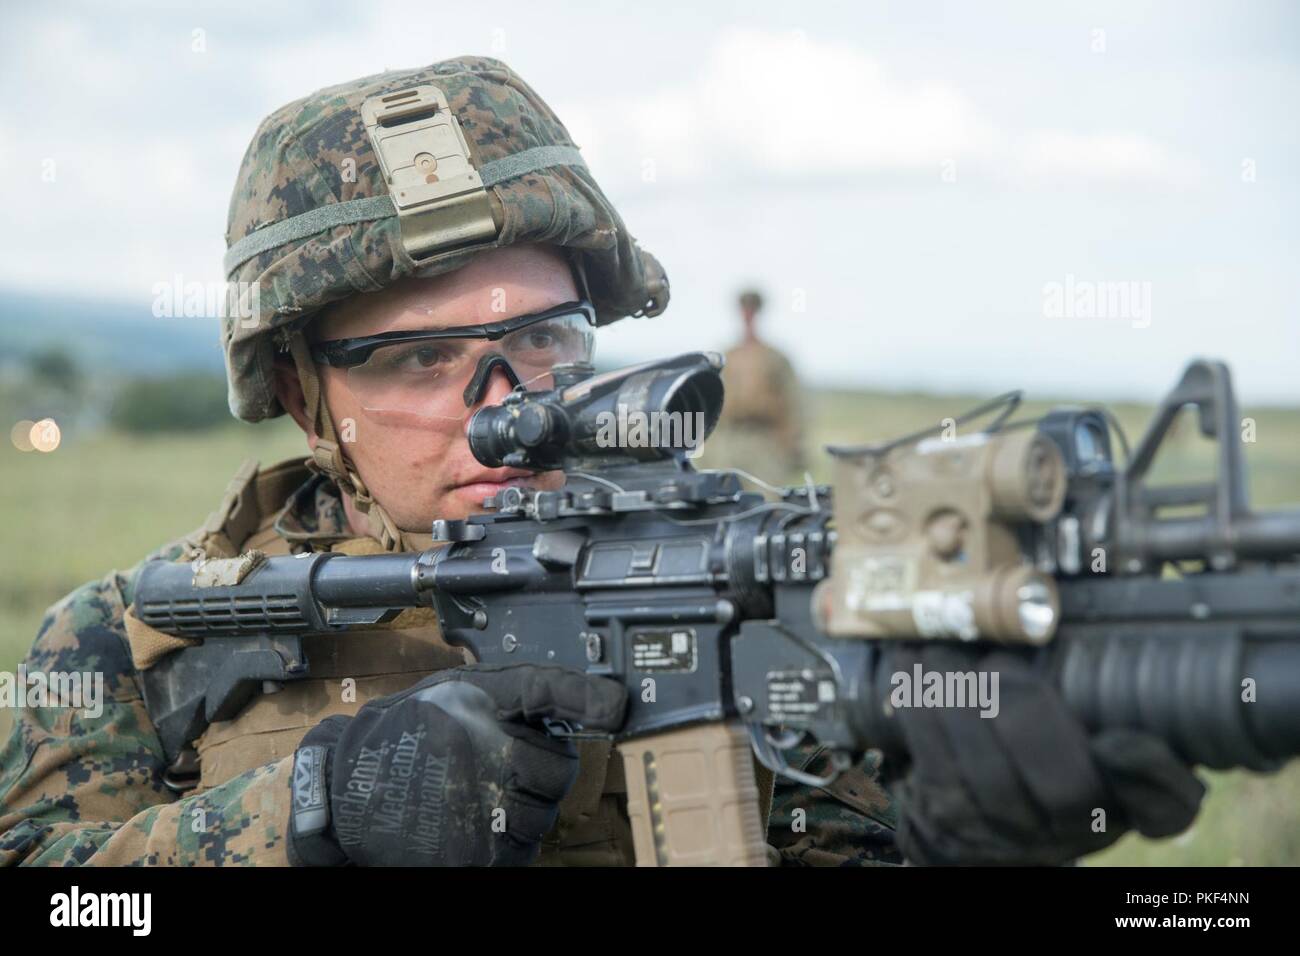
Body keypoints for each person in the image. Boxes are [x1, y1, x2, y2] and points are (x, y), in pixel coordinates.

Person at [0, 57, 1203, 867]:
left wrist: (961, 835)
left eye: (542, 337)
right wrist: (307, 815)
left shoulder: (760, 564)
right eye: (419, 359)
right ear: (303, 390)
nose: (505, 402)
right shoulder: (132, 641)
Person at [699, 289, 805, 486]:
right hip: (730, 441)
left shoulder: (775, 358)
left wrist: (793, 449)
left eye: (751, 310)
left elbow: (794, 405)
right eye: (744, 310)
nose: (748, 316)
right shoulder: (727, 357)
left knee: (767, 501)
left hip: (764, 442)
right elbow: (710, 405)